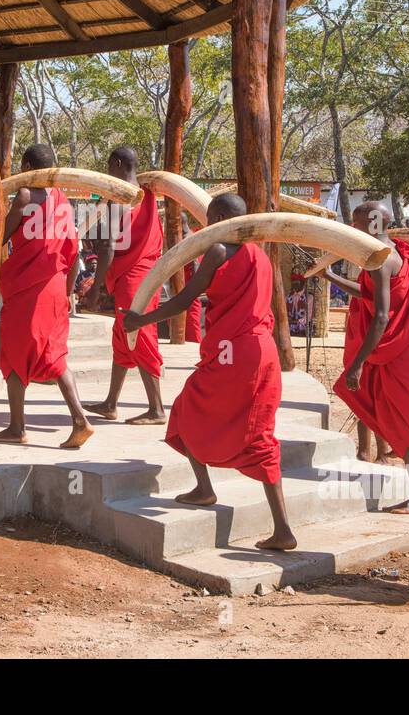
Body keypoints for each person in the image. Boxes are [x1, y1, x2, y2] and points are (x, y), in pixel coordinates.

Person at [121, 193, 297, 552]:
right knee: (248, 426)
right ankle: (230, 501)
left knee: (192, 408)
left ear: (217, 217)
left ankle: (272, 524)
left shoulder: (218, 249)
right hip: (261, 351)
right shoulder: (261, 256)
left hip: (236, 352)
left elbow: (185, 300)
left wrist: (140, 320)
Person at [323, 200, 409, 513]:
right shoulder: (386, 253)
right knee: (384, 408)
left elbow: (382, 316)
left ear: (372, 223)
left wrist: (357, 364)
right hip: (392, 347)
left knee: (407, 419)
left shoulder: (382, 259)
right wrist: (329, 276)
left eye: (356, 223)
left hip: (396, 350)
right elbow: (367, 294)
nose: (353, 229)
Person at [0, 143, 91, 449]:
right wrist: (70, 290)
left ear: (27, 167)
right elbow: (73, 252)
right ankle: (73, 419)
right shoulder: (63, 201)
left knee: (14, 352)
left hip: (27, 289)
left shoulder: (23, 196)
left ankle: (22, 426)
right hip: (55, 286)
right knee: (55, 353)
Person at [82, 147, 166, 425]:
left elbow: (108, 246)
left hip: (134, 280)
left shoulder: (119, 198)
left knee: (139, 337)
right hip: (144, 275)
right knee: (123, 338)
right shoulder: (149, 193)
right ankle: (110, 403)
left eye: (109, 166)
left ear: (117, 164)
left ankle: (156, 409)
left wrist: (95, 287)